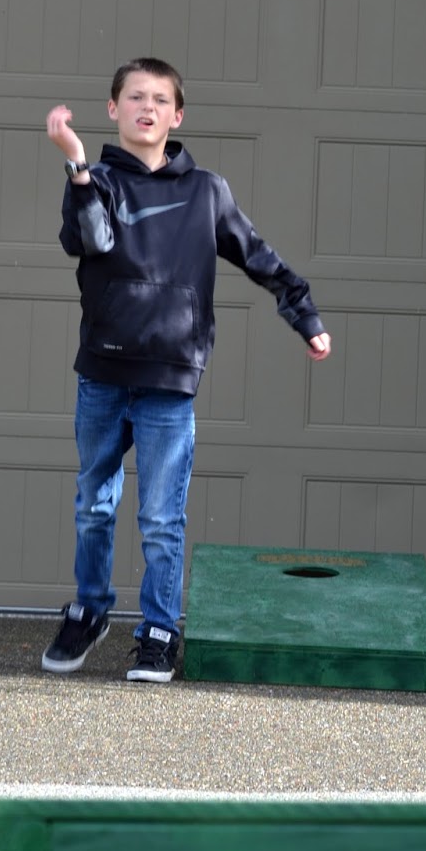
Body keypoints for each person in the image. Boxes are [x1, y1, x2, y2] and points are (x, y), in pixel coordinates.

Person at [41, 57, 331, 683]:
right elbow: (90, 240)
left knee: (161, 518)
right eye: (134, 97)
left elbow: (258, 255)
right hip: (103, 374)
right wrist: (77, 164)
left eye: (160, 99)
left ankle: (159, 629)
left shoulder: (206, 191)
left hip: (170, 380)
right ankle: (89, 610)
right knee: (94, 504)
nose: (147, 107)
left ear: (177, 115)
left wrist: (304, 315)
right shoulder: (99, 182)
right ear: (114, 109)